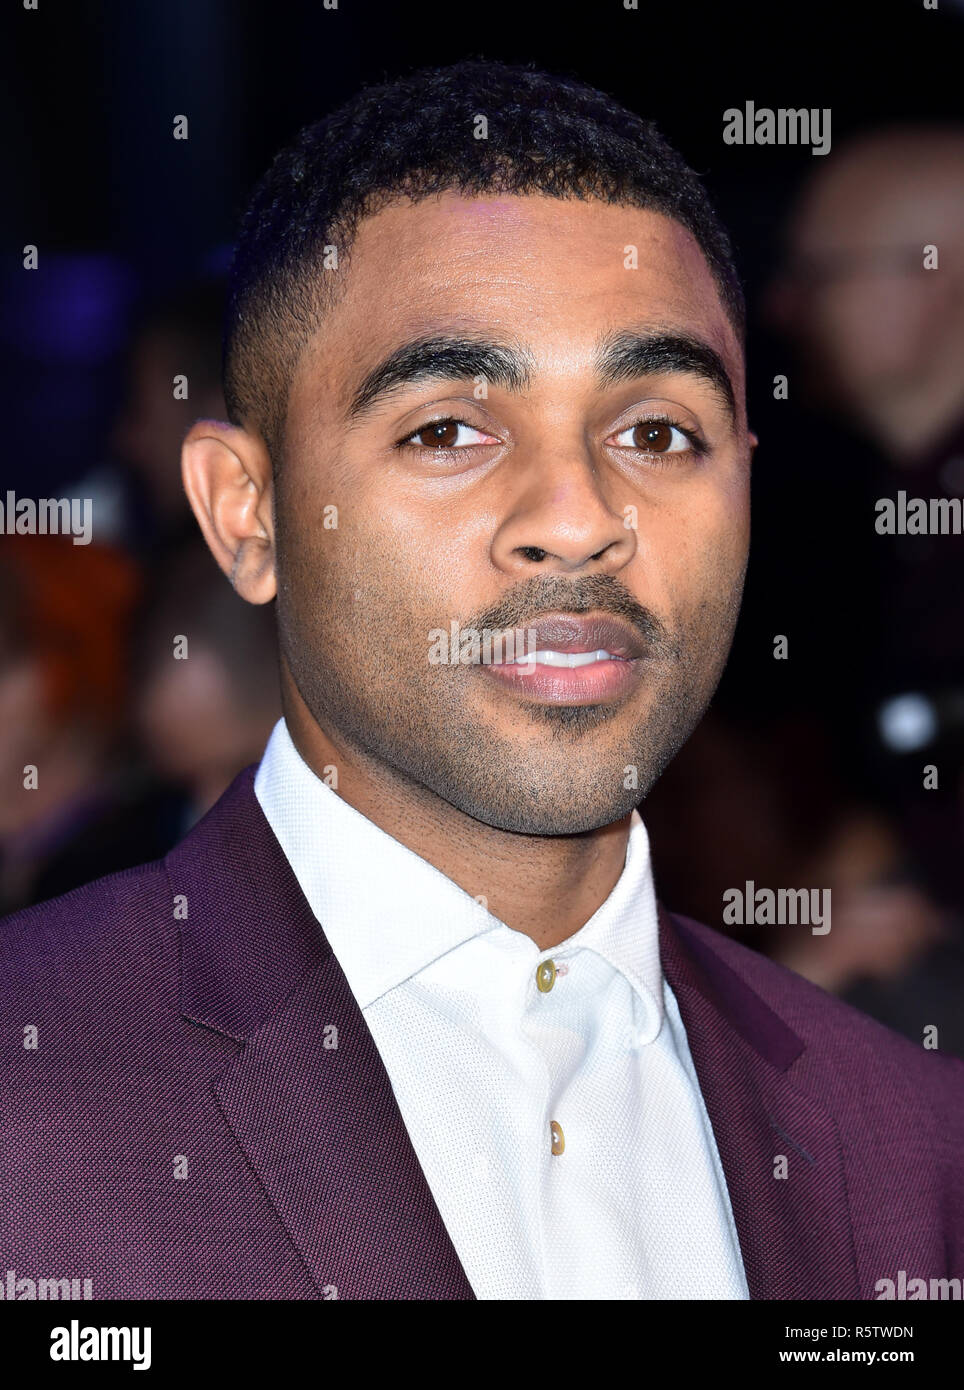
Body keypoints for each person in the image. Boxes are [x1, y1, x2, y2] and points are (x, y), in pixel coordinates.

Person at [1, 60, 961, 1302]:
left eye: (658, 431)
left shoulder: (907, 1142)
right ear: (247, 517)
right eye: (446, 429)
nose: (576, 518)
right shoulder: (35, 1095)